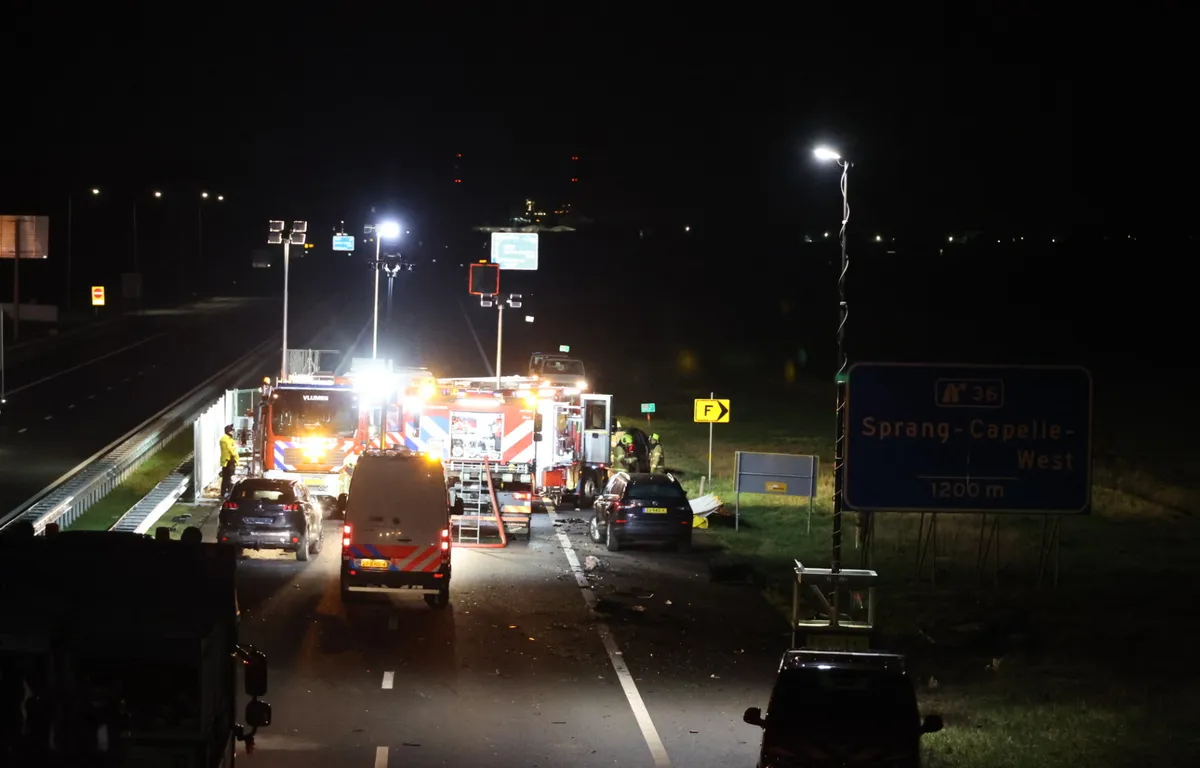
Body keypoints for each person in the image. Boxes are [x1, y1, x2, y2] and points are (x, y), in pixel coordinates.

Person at [219, 424, 239, 500]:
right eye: (232, 430)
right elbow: (231, 450)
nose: (233, 432)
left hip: (231, 461)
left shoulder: (230, 439)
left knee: (229, 478)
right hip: (228, 461)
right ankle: (225, 493)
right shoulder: (225, 439)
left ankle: (228, 492)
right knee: (227, 478)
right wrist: (235, 448)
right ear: (228, 431)